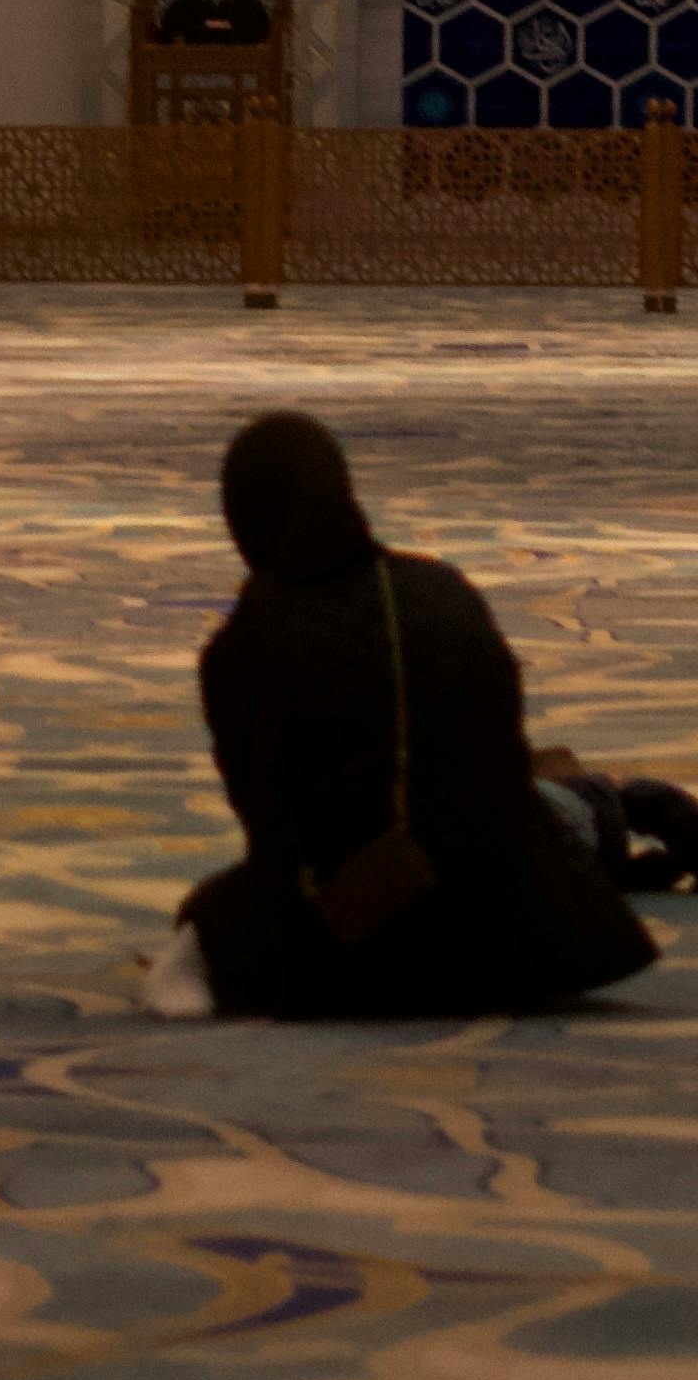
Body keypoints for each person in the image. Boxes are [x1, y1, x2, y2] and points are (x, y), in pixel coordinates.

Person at [147, 411, 661, 1020]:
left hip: (363, 953)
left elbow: (275, 835)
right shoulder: (443, 591)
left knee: (209, 915)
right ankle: (611, 802)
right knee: (531, 811)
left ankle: (597, 800)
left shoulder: (245, 649)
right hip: (521, 936)